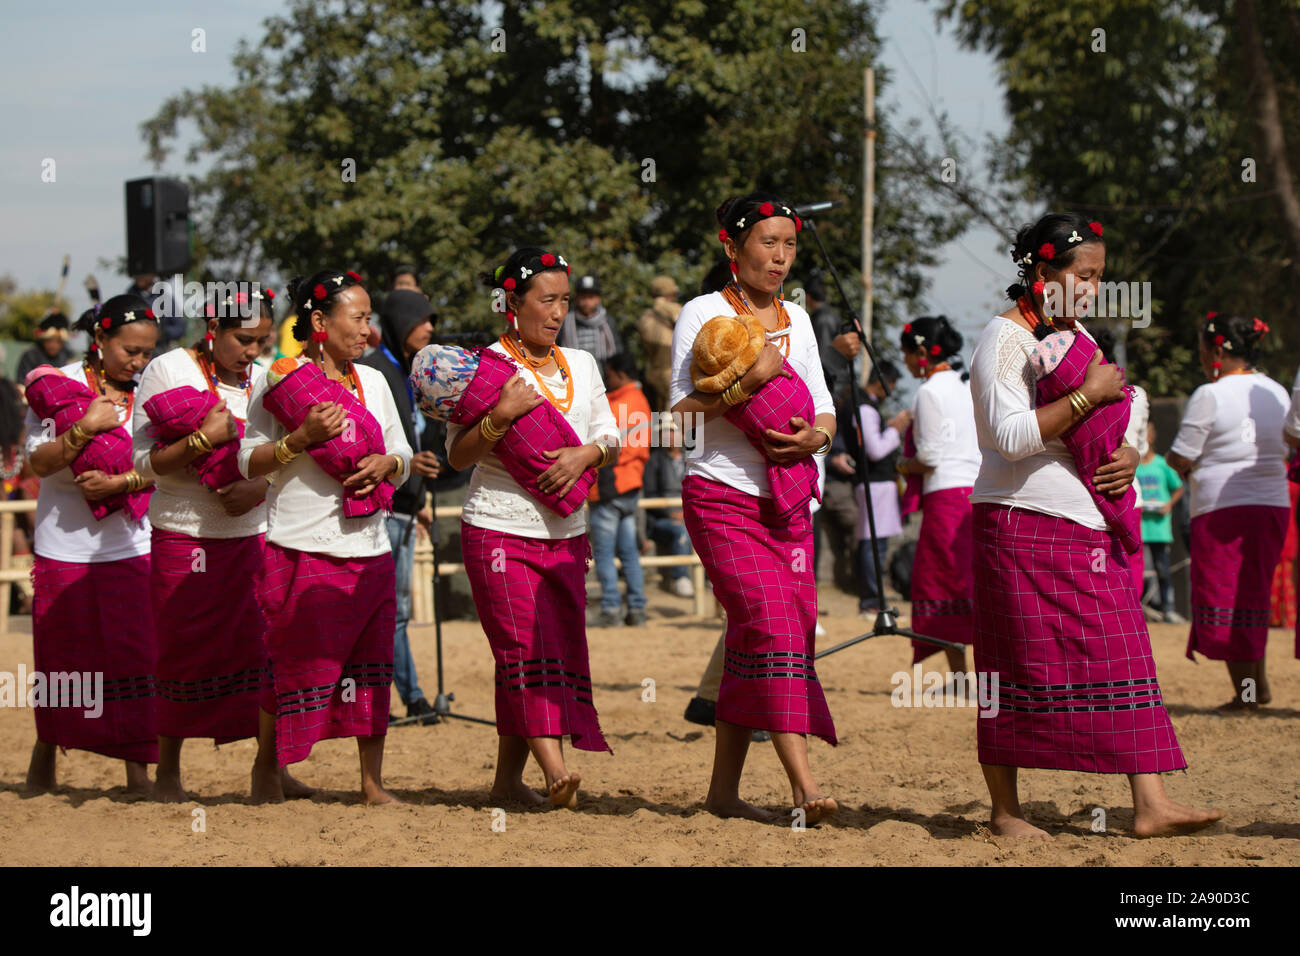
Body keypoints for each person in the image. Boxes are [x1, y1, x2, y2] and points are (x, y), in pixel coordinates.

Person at [969, 211, 1219, 837]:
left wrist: (1132, 453)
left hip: (1086, 524)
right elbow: (1010, 436)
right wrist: (1085, 396)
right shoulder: (1004, 339)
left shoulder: (1077, 338)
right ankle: (1005, 812)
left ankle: (1152, 805)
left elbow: (1123, 407)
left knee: (1126, 649)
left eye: (1101, 277)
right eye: (1084, 275)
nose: (1094, 287)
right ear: (1043, 271)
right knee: (1010, 664)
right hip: (1018, 523)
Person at [671, 192, 838, 823]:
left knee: (759, 636)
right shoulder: (702, 313)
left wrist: (815, 438)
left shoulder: (798, 316)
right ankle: (803, 785)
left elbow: (822, 403)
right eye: (767, 242)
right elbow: (674, 422)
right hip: (721, 494)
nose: (781, 256)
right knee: (774, 626)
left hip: (791, 497)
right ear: (731, 248)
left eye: (789, 244)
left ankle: (721, 796)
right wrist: (749, 380)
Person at [447, 247, 618, 808]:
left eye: (564, 301)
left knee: (552, 649)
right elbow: (456, 456)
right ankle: (554, 767)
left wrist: (583, 457)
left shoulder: (582, 365)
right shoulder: (484, 367)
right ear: (512, 304)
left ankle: (503, 784)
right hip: (497, 527)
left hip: (566, 531)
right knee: (522, 648)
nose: (558, 312)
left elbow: (610, 438)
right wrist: (499, 415)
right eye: (547, 300)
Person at [238, 268, 411, 804]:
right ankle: (267, 770)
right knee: (293, 664)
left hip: (370, 546)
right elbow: (248, 461)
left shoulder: (376, 381)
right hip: (301, 543)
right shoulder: (280, 380)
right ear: (319, 322)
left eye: (368, 318)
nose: (367, 329)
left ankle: (372, 783)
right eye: (356, 317)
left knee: (372, 667)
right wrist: (301, 439)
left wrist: (387, 463)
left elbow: (404, 455)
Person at [131, 284, 304, 801]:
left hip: (254, 534)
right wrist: (203, 441)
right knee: (179, 650)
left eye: (263, 340)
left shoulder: (268, 379)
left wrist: (261, 484)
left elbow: (285, 454)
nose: (254, 351)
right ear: (214, 331)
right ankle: (168, 773)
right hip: (184, 533)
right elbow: (141, 464)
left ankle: (269, 770)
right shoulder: (168, 370)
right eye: (244, 340)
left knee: (265, 651)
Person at [23, 295, 159, 794]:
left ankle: (138, 773)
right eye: (129, 349)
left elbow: (163, 466)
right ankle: (46, 754)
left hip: (130, 546)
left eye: (147, 351)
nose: (138, 361)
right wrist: (84, 429)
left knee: (136, 658)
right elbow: (38, 464)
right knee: (62, 661)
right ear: (99, 340)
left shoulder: (151, 390)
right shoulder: (55, 386)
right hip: (63, 546)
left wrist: (123, 484)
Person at [1169, 313, 1289, 710]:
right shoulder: (1276, 391)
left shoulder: (1210, 394)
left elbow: (1182, 456)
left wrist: (1178, 464)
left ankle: (1248, 694)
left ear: (1218, 350)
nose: (1202, 356)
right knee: (1251, 595)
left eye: (1203, 348)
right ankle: (1258, 688)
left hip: (1223, 509)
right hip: (1273, 506)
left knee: (1226, 597)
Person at [357, 288, 443, 724]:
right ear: (398, 323)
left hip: (408, 507)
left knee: (395, 611)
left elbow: (414, 438)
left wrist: (422, 492)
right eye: (420, 319)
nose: (429, 328)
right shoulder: (374, 372)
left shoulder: (412, 371)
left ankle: (403, 698)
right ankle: (404, 699)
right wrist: (407, 467)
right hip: (383, 509)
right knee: (389, 611)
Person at [896, 317, 981, 669]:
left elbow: (929, 456)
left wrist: (903, 465)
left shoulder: (929, 391)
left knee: (942, 583)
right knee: (972, 582)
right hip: (976, 492)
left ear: (920, 353)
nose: (903, 364)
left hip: (946, 497)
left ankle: (962, 676)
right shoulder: (966, 385)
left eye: (905, 355)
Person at [588, 353, 651, 626]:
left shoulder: (616, 405)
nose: (607, 379)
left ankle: (611, 608)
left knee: (603, 553)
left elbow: (604, 446)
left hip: (609, 486)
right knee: (629, 553)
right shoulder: (642, 401)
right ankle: (637, 609)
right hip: (631, 485)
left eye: (610, 374)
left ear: (620, 375)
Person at [847, 360, 909, 617]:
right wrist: (895, 430)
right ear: (883, 381)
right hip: (875, 483)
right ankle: (871, 601)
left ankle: (873, 599)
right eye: (891, 384)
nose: (891, 390)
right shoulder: (865, 408)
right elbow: (875, 450)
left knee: (875, 542)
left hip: (874, 483)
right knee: (874, 544)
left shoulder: (865, 405)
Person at [1136, 421, 1185, 623]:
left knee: (1162, 569)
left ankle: (1168, 608)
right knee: (1137, 571)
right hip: (1138, 528)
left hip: (1159, 529)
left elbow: (1179, 487)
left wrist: (1168, 505)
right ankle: (1138, 609)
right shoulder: (1133, 464)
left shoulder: (1161, 464)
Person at [643, 413, 693, 597]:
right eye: (665, 433)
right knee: (681, 531)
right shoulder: (653, 460)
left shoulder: (693, 458)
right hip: (662, 519)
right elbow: (650, 495)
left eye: (673, 432)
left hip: (690, 513)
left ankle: (709, 579)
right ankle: (681, 578)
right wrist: (670, 513)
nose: (670, 437)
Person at [806, 277, 861, 402]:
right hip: (838, 379)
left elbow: (823, 354)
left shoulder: (822, 319)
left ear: (808, 297)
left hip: (833, 383)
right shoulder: (830, 314)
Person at [636, 276, 681, 411]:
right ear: (671, 294)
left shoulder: (645, 317)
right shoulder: (676, 310)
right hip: (674, 375)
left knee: (659, 422)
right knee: (677, 423)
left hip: (652, 374)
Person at [557, 274, 622, 363]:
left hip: (603, 374)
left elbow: (617, 351)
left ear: (598, 299)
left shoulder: (608, 322)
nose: (587, 302)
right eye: (583, 297)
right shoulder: (565, 322)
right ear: (577, 298)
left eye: (591, 297)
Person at [17, 313, 76, 385]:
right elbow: (22, 383)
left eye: (58, 341)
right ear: (42, 340)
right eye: (50, 340)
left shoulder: (69, 357)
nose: (53, 345)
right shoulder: (31, 355)